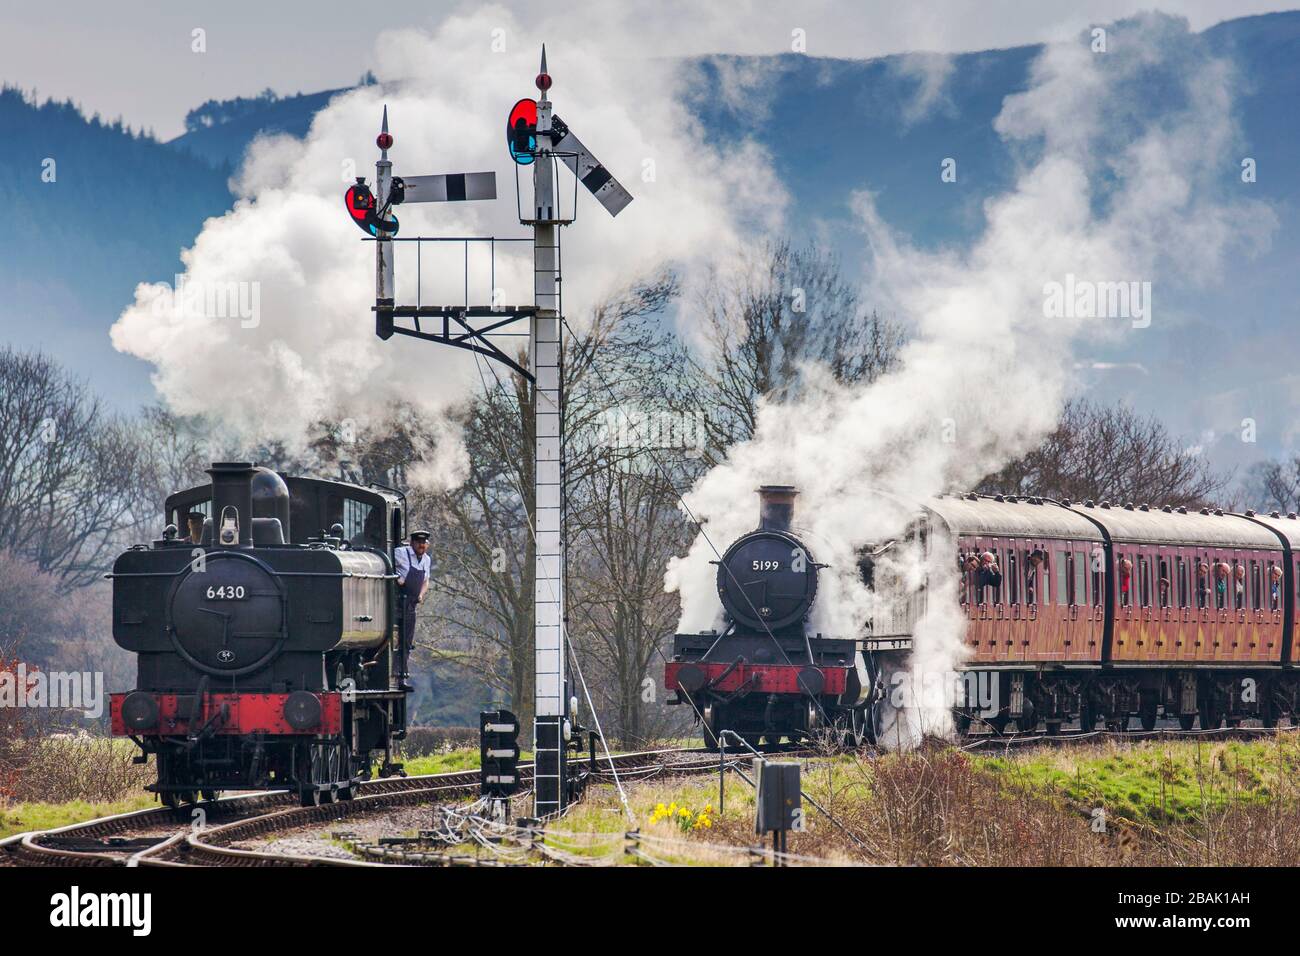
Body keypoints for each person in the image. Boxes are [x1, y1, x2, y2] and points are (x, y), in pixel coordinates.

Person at [393, 530, 432, 692]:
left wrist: (421, 595)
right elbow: (387, 564)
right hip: (396, 601)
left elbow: (426, 580)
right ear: (412, 543)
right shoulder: (400, 553)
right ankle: (391, 672)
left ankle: (402, 675)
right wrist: (398, 579)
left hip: (411, 604)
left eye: (424, 543)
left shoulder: (426, 560)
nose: (421, 546)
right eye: (418, 543)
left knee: (407, 642)